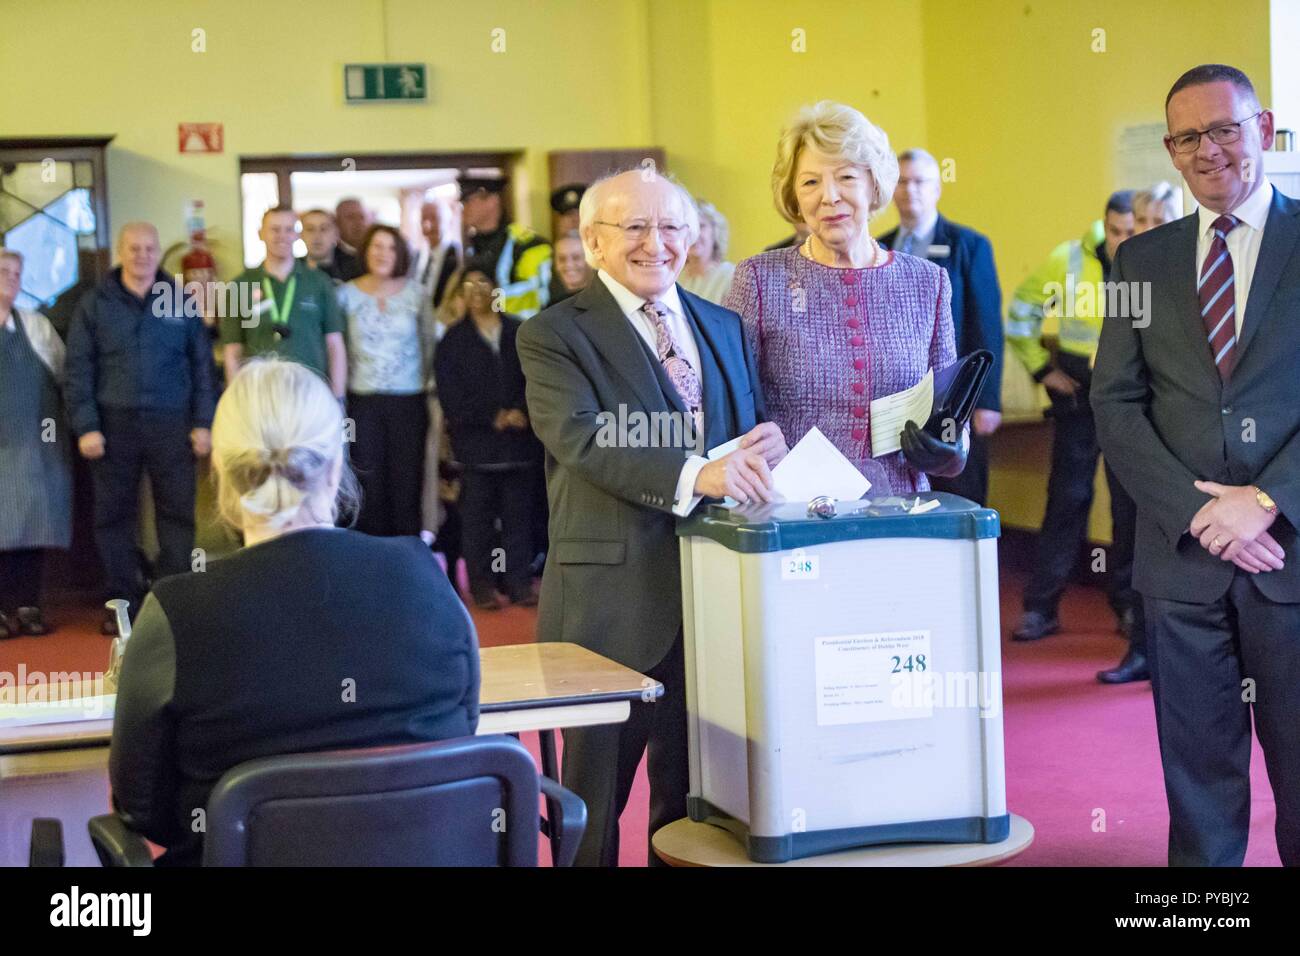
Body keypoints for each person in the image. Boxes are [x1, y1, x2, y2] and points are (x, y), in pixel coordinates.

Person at [517, 168, 787, 866]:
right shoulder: (553, 335)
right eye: (633, 227)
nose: (655, 243)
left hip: (714, 602)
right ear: (594, 242)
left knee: (695, 808)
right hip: (611, 606)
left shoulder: (724, 326)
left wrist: (763, 447)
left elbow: (736, 443)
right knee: (593, 809)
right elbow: (583, 438)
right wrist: (700, 472)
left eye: (670, 226)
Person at [108, 358, 479, 865]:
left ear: (221, 475)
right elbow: (463, 732)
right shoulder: (425, 575)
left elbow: (143, 810)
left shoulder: (176, 613)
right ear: (333, 467)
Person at [1093, 64, 1300, 867]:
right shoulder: (1138, 263)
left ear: (1265, 129)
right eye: (1189, 138)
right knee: (1198, 784)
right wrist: (1201, 513)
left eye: (1225, 129)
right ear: (1173, 153)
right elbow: (1115, 403)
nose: (1209, 150)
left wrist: (1266, 500)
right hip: (1181, 567)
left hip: (1290, 557)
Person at [725, 101, 964, 497]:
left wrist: (949, 449)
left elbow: (953, 414)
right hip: (793, 507)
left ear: (873, 184)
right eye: (810, 182)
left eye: (846, 177)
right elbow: (731, 408)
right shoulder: (759, 279)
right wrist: (763, 448)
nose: (829, 196)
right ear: (794, 197)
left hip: (898, 510)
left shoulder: (928, 282)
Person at [65, 223, 215, 633]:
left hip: (174, 425)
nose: (142, 255)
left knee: (177, 516)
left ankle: (174, 606)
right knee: (113, 518)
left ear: (158, 252)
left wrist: (204, 422)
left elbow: (202, 368)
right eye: (134, 248)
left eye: (150, 248)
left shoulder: (180, 302)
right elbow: (78, 370)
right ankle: (121, 606)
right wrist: (86, 426)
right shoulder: (94, 305)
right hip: (112, 427)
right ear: (120, 251)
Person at [1004, 192, 1137, 643]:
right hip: (1079, 393)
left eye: (1131, 232)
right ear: (1104, 224)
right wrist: (1045, 370)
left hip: (1133, 396)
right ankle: (1041, 608)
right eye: (1115, 231)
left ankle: (1128, 607)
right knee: (1066, 499)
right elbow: (1021, 315)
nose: (1122, 241)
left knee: (1129, 506)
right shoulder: (1068, 260)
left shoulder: (1157, 260)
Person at [1095, 181, 1185, 684]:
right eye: (1143, 222)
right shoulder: (1130, 276)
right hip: (1134, 436)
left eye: (1160, 219)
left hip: (1187, 438)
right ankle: (1140, 647)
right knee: (1129, 538)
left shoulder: (1203, 272)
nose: (1150, 231)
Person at [878, 148, 1004, 505]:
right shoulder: (878, 246)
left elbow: (987, 323)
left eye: (920, 182)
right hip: (898, 395)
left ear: (937, 189)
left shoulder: (969, 245)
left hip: (956, 394)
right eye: (902, 181)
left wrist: (988, 401)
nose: (910, 190)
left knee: (961, 496)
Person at [434, 264, 540, 609]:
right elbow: (451, 395)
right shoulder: (452, 340)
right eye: (468, 285)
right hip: (476, 446)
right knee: (477, 521)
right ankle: (482, 587)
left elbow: (536, 380)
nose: (477, 290)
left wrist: (521, 411)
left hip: (519, 443)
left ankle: (519, 584)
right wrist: (490, 416)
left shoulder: (519, 331)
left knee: (518, 519)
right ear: (461, 295)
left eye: (484, 282)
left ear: (496, 289)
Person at [337, 224, 433, 537]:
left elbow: (428, 344)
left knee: (407, 483)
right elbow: (337, 347)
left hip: (409, 402)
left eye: (391, 247)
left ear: (401, 253)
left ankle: (408, 559)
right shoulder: (345, 294)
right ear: (365, 251)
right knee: (369, 484)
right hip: (363, 403)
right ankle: (373, 560)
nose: (383, 254)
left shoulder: (417, 294)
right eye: (377, 246)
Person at [0, 250, 71, 637]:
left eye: (16, 273)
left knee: (31, 525)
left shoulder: (36, 327)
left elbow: (62, 373)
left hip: (32, 445)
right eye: (3, 272)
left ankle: (28, 606)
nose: (10, 278)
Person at [221, 207, 347, 399]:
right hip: (259, 394)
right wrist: (235, 398)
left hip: (310, 393)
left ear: (297, 235)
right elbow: (232, 350)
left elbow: (334, 344)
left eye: (289, 229)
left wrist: (338, 397)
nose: (282, 235)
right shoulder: (240, 285)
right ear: (260, 234)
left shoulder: (319, 282)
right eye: (275, 229)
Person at [461, 175, 553, 318]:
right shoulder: (474, 248)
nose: (463, 209)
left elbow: (544, 298)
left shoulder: (525, 245)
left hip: (525, 333)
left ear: (492, 201)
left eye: (468, 201)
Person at [678, 199, 736, 304]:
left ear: (715, 232)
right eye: (687, 227)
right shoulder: (673, 278)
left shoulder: (731, 277)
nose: (694, 234)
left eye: (701, 226)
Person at [413, 198, 459, 317]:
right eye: (424, 219)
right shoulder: (418, 256)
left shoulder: (457, 255)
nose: (428, 225)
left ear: (447, 221)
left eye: (434, 218)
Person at [299, 208, 363, 283]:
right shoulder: (290, 268)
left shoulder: (356, 268)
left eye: (324, 229)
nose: (317, 236)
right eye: (310, 229)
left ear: (336, 235)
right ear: (301, 235)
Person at [547, 230, 592, 305]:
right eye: (562, 259)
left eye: (576, 258)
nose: (568, 265)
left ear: (590, 261)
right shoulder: (552, 305)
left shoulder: (602, 302)